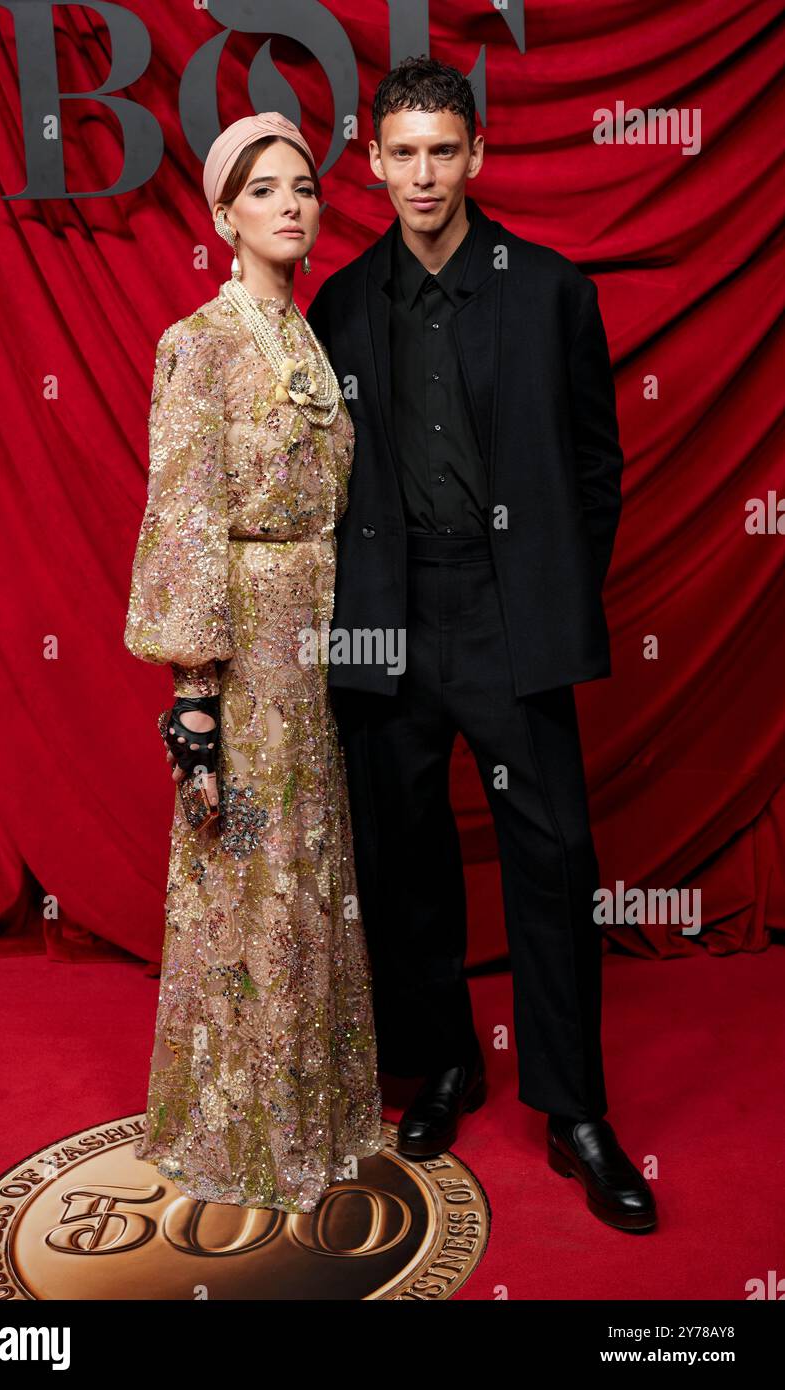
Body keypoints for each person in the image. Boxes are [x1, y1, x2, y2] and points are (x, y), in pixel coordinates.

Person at [306, 58, 656, 1232]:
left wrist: (547, 587)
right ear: (370, 161)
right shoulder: (340, 305)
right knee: (401, 861)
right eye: (399, 152)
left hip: (509, 612)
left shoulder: (550, 289)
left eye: (440, 150)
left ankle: (572, 1109)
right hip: (384, 613)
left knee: (552, 862)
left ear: (476, 157)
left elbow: (596, 468)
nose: (420, 174)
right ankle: (443, 1062)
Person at [123, 112, 384, 1215]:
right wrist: (194, 694)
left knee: (312, 861)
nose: (293, 204)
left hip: (321, 630)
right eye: (265, 190)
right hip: (246, 639)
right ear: (224, 214)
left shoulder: (309, 337)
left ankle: (315, 1110)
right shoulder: (203, 339)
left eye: (305, 187)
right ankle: (241, 1128)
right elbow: (182, 517)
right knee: (244, 865)